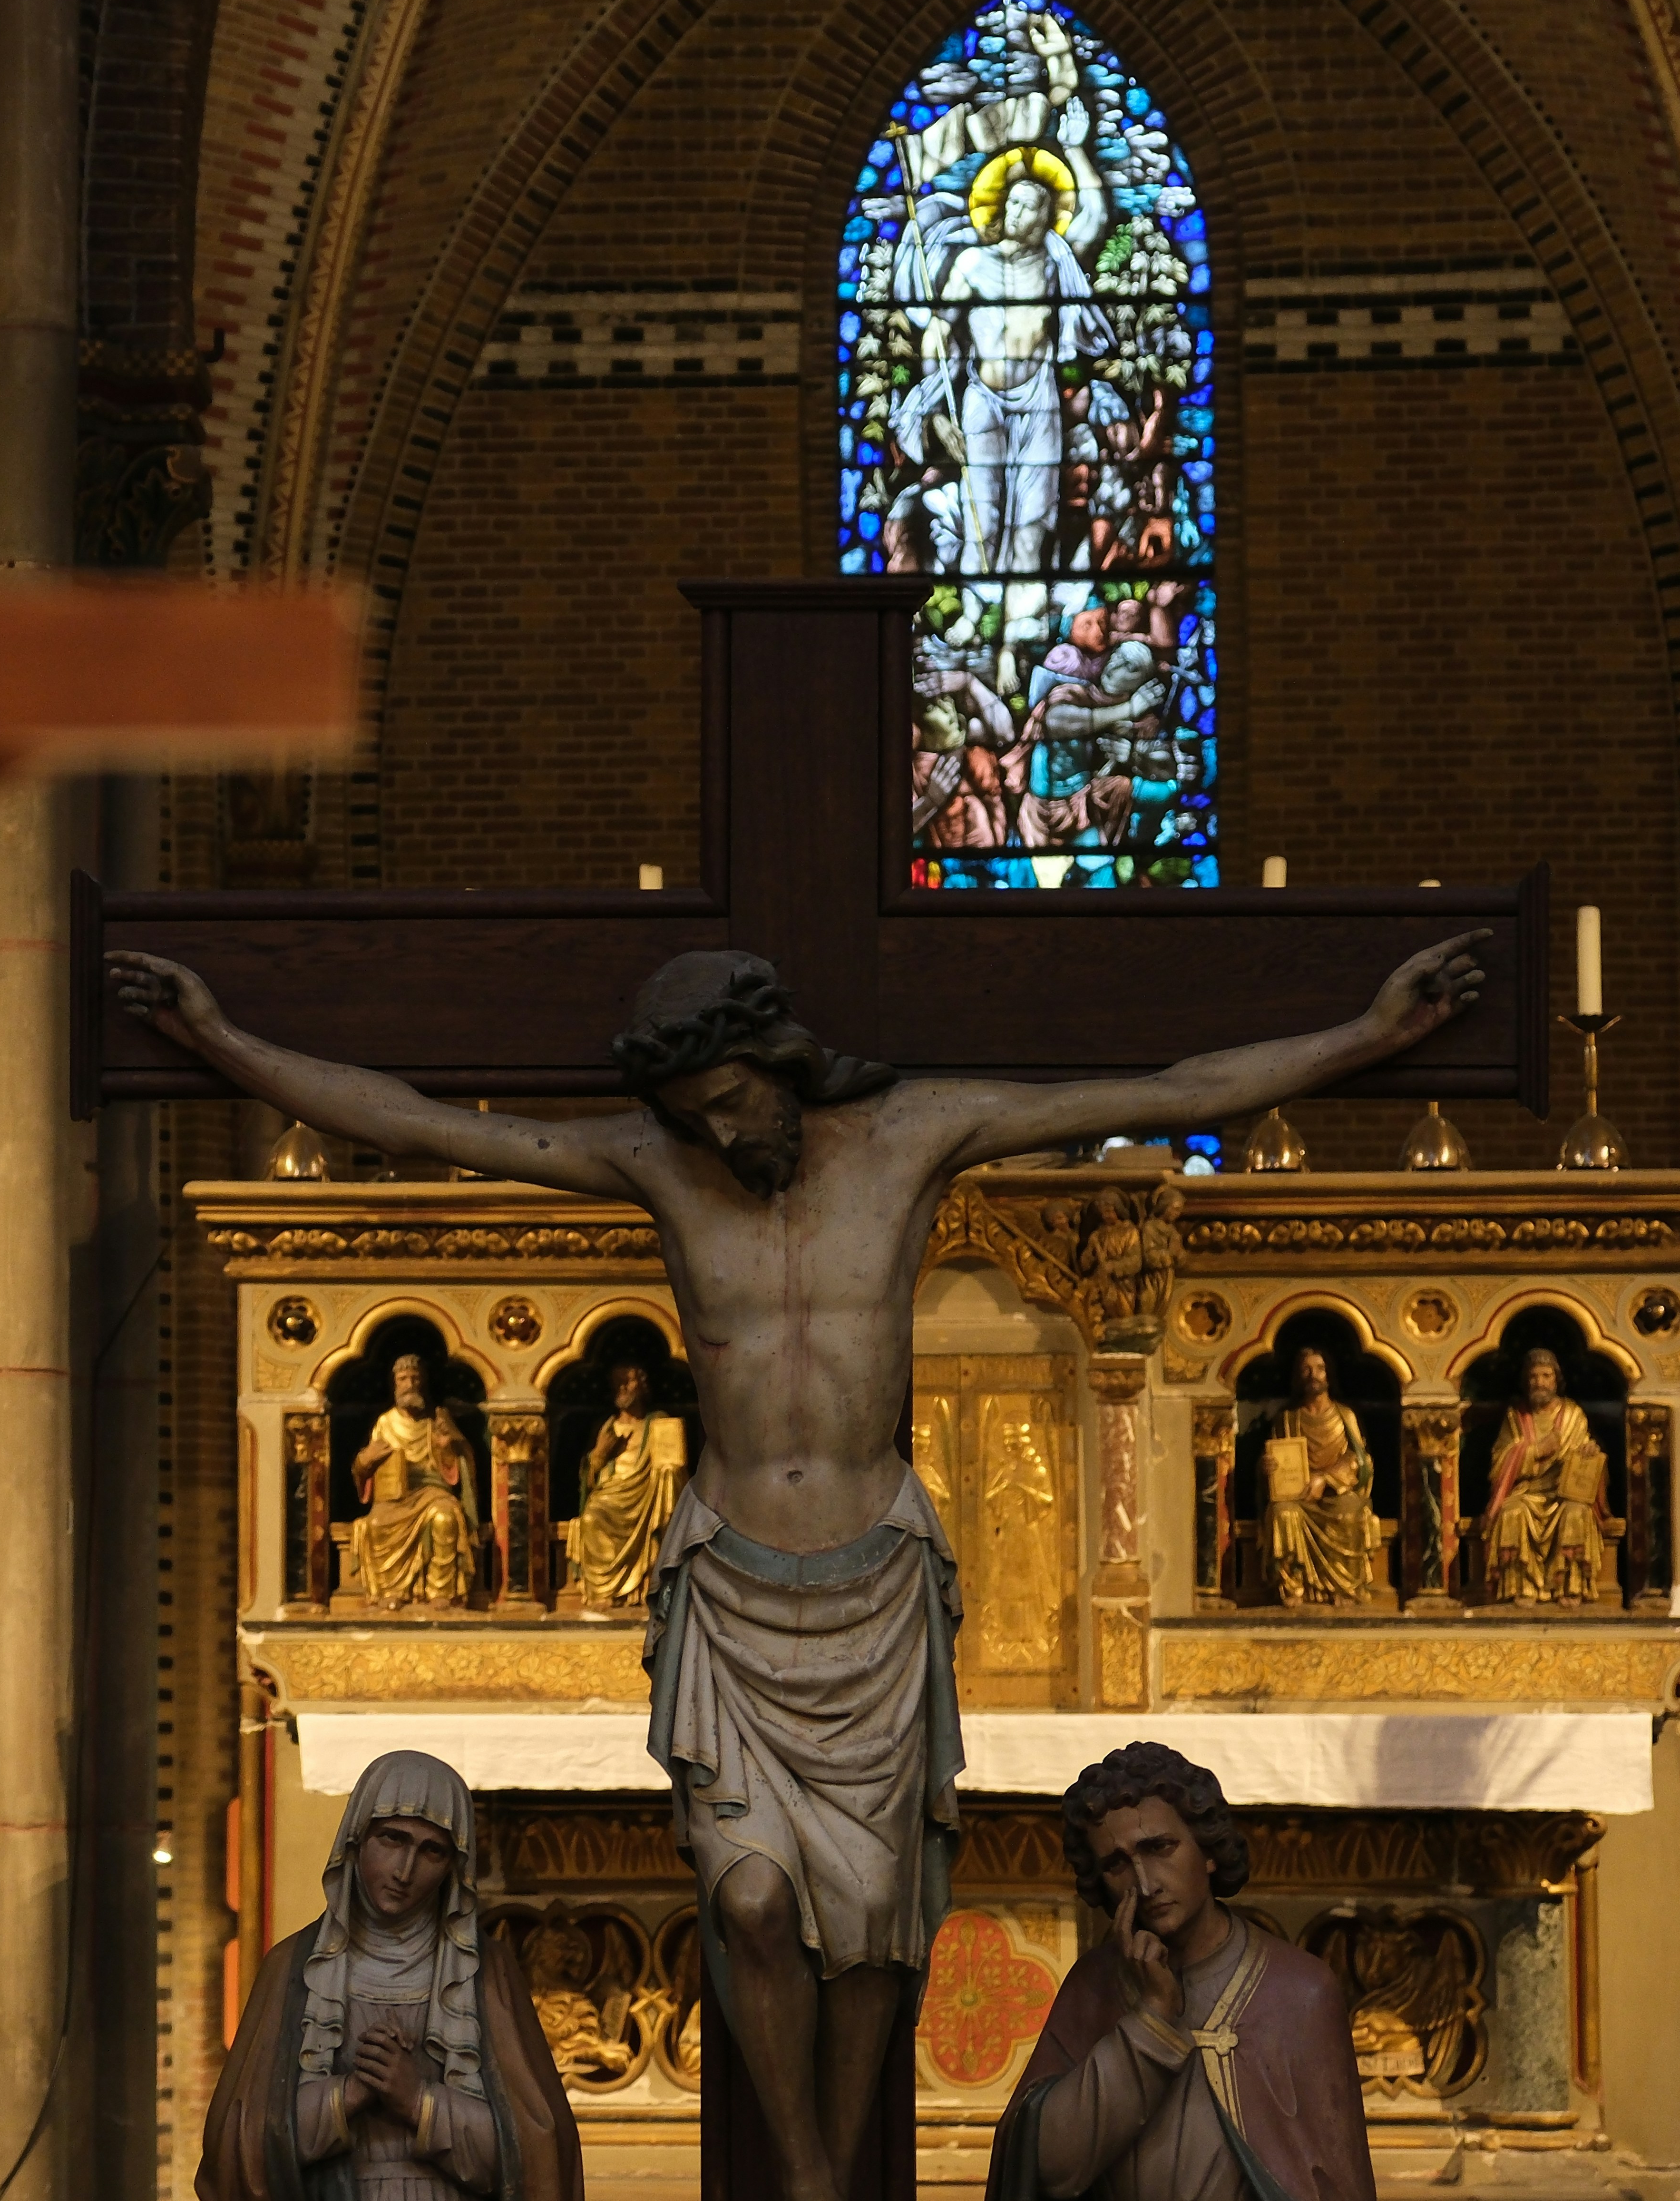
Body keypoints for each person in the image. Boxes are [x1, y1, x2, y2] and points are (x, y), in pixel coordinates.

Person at [110, 929, 1485, 2201]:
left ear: (778, 1059)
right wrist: (227, 1044)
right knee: (752, 1900)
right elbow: (411, 1118)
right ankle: (819, 2173)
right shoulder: (660, 1163)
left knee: (879, 1933)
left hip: (876, 1591)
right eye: (694, 1116)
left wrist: (1367, 1036)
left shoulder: (913, 1135)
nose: (722, 1136)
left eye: (733, 1104)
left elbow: (1172, 1079)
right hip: (733, 1592)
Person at [987, 1742, 1373, 2201]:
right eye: (1116, 1865)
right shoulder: (1095, 1985)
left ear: (1208, 1849)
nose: (1145, 1884)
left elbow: (1333, 2182)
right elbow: (1045, 2169)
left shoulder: (1298, 1991)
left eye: (1159, 1848)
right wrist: (1151, 2021)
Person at [200, 1749, 584, 2201]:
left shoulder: (486, 1973)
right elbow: (237, 2151)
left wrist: (418, 2101)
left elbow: (538, 2155)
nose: (405, 1871)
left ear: (453, 1868)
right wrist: (352, 2094)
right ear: (356, 1840)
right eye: (392, 1840)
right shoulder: (293, 1966)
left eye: (432, 1852)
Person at [350, 1354, 481, 1608]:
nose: (410, 1384)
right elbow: (365, 1466)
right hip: (395, 1495)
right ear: (395, 1385)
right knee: (376, 1523)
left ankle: (441, 1590)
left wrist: (448, 1447)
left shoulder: (436, 1421)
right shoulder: (385, 1423)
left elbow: (458, 1466)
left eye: (415, 1378)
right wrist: (365, 1461)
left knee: (445, 1518)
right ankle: (392, 1591)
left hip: (433, 1491)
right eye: (403, 1379)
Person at [1479, 1348, 1605, 1605]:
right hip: (1527, 1492)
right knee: (1512, 1512)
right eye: (1534, 1376)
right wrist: (1536, 1451)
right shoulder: (1516, 1416)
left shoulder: (1573, 1414)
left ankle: (1570, 1587)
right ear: (1527, 1381)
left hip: (1564, 1493)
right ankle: (1521, 1587)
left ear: (1556, 1380)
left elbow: (1584, 1456)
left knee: (1576, 1513)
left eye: (1546, 1376)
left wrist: (1589, 1453)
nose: (1540, 1382)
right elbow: (1499, 1462)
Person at [1259, 1347, 1380, 1609]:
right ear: (1298, 1376)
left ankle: (1343, 1586)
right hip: (1299, 1497)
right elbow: (1279, 1458)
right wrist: (1268, 1466)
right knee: (1282, 1513)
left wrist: (1325, 1478)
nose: (1313, 1375)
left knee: (1349, 1514)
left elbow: (1360, 1460)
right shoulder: (1288, 1419)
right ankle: (1294, 1586)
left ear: (1329, 1375)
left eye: (1320, 1368)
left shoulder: (1344, 1416)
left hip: (1336, 1494)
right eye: (1306, 1369)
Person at [567, 1365, 689, 1609]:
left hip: (647, 1497)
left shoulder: (658, 1423)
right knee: (590, 1518)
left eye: (629, 1381)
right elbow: (588, 1479)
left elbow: (675, 1465)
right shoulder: (606, 1427)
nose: (622, 1387)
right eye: (618, 1382)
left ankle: (651, 1588)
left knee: (663, 1507)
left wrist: (667, 1473)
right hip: (610, 1495)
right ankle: (603, 1593)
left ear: (642, 1386)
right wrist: (600, 1455)